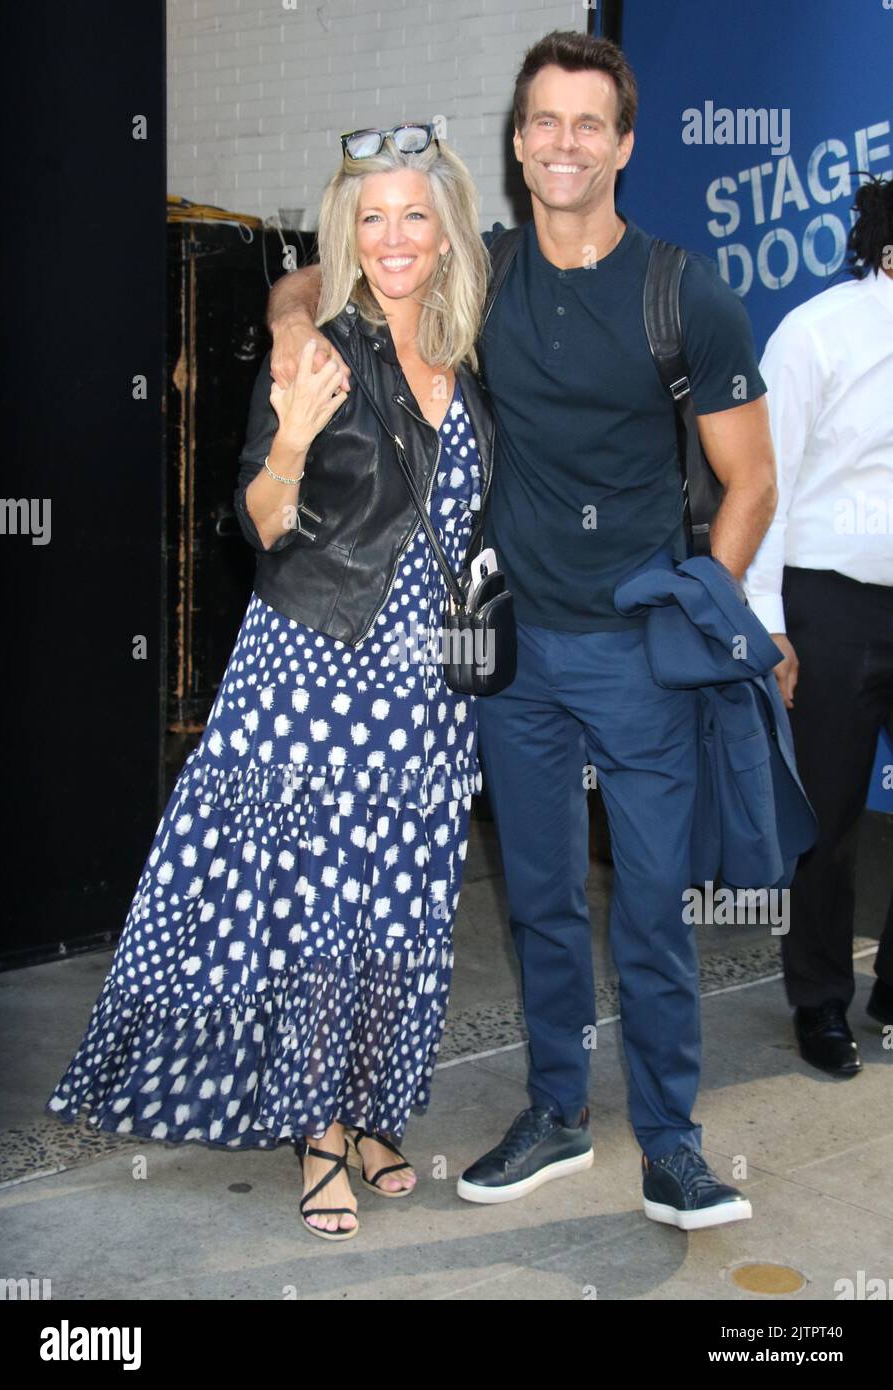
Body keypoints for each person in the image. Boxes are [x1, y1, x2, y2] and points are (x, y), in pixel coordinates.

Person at [266, 33, 778, 1230]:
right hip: (510, 654)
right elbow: (333, 276)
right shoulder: (480, 279)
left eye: (588, 123)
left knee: (653, 906)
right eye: (543, 121)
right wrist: (293, 323)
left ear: (625, 143)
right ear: (516, 141)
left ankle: (672, 1144)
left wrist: (704, 607)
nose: (563, 143)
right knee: (541, 898)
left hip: (642, 649)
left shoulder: (683, 292)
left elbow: (748, 483)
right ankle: (554, 1113)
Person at [46, 123, 495, 1241]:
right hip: (314, 678)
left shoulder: (470, 355)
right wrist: (292, 432)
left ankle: (376, 1105)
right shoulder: (319, 352)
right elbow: (261, 521)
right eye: (370, 218)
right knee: (323, 913)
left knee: (406, 909)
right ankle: (317, 1130)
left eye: (413, 217)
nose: (392, 238)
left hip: (429, 698)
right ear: (350, 232)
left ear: (446, 237)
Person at [743, 175, 893, 1076]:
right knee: (829, 817)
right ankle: (818, 1001)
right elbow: (766, 480)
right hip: (828, 601)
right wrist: (768, 622)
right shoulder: (815, 333)